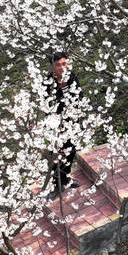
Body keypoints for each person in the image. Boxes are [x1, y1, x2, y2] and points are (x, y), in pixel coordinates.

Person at [45, 51, 80, 197]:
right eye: (58, 65)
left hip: (72, 121)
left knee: (70, 152)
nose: (62, 67)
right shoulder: (48, 82)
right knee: (57, 155)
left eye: (64, 64)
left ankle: (65, 179)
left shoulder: (72, 77)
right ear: (53, 66)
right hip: (56, 123)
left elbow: (79, 95)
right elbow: (47, 104)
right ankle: (55, 185)